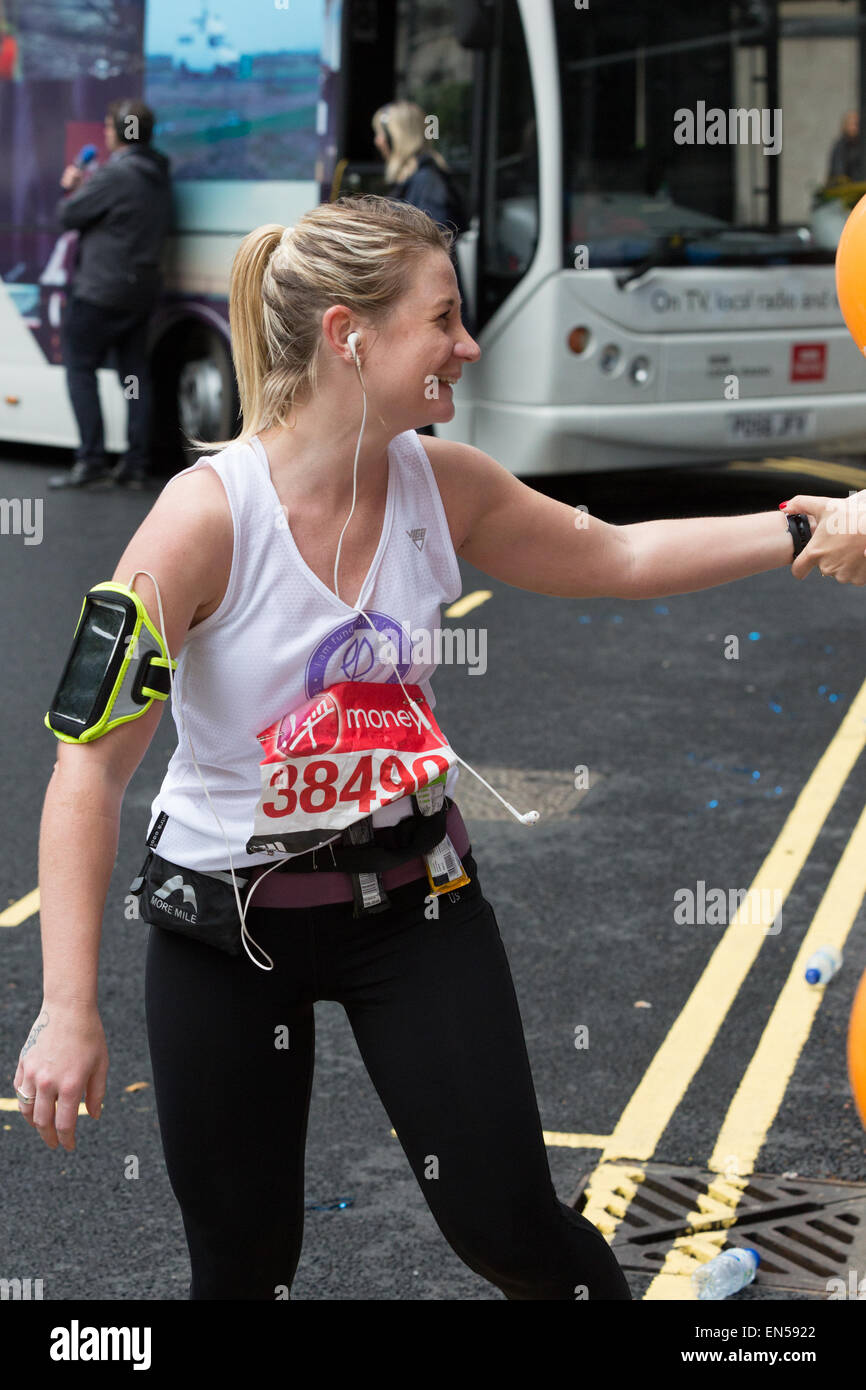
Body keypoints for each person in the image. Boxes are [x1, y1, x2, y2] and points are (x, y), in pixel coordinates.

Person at [15, 195, 866, 1303]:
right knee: (241, 1266)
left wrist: (810, 526)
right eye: (444, 318)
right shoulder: (199, 522)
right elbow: (90, 768)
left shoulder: (442, 482)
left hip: (413, 902)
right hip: (224, 929)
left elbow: (613, 555)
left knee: (512, 1228)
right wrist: (64, 1006)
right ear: (347, 335)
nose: (467, 344)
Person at [49, 100, 172, 491]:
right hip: (140, 293)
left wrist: (72, 189)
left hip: (101, 291)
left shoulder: (117, 174)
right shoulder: (158, 172)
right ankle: (135, 463)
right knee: (134, 376)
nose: (104, 133)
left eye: (108, 126)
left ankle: (91, 459)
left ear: (122, 131)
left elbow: (70, 215)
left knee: (80, 368)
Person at [827, 108, 865, 184]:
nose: (855, 128)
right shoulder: (840, 146)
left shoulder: (862, 145)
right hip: (844, 188)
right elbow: (838, 170)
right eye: (852, 124)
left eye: (857, 125)